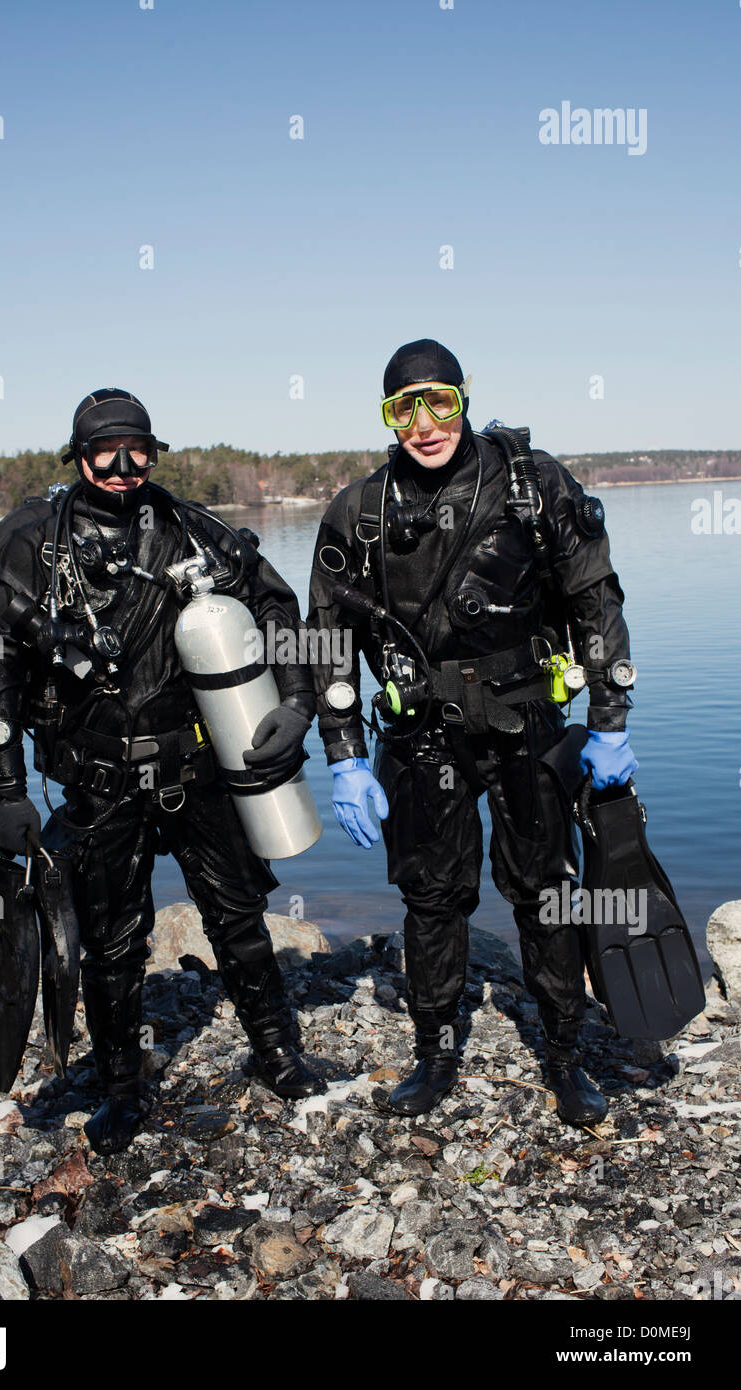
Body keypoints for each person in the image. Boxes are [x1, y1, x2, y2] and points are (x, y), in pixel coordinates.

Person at [0, 387, 318, 1155]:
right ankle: (122, 1089)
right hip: (97, 779)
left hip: (196, 765)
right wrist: (5, 789)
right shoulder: (30, 543)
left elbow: (277, 604)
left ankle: (279, 1053)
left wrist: (296, 700)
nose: (123, 466)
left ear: (154, 453)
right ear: (78, 456)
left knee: (238, 917)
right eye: (105, 452)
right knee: (112, 943)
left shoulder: (193, 529)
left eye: (138, 450)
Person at [307, 340, 638, 1126]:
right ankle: (435, 1053)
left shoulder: (534, 485)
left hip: (527, 721)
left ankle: (565, 1052)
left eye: (440, 402)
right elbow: (325, 641)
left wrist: (610, 721)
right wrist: (345, 754)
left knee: (545, 889)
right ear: (388, 419)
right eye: (403, 409)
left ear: (464, 397)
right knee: (432, 896)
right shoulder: (360, 511)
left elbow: (594, 599)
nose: (424, 424)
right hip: (421, 732)